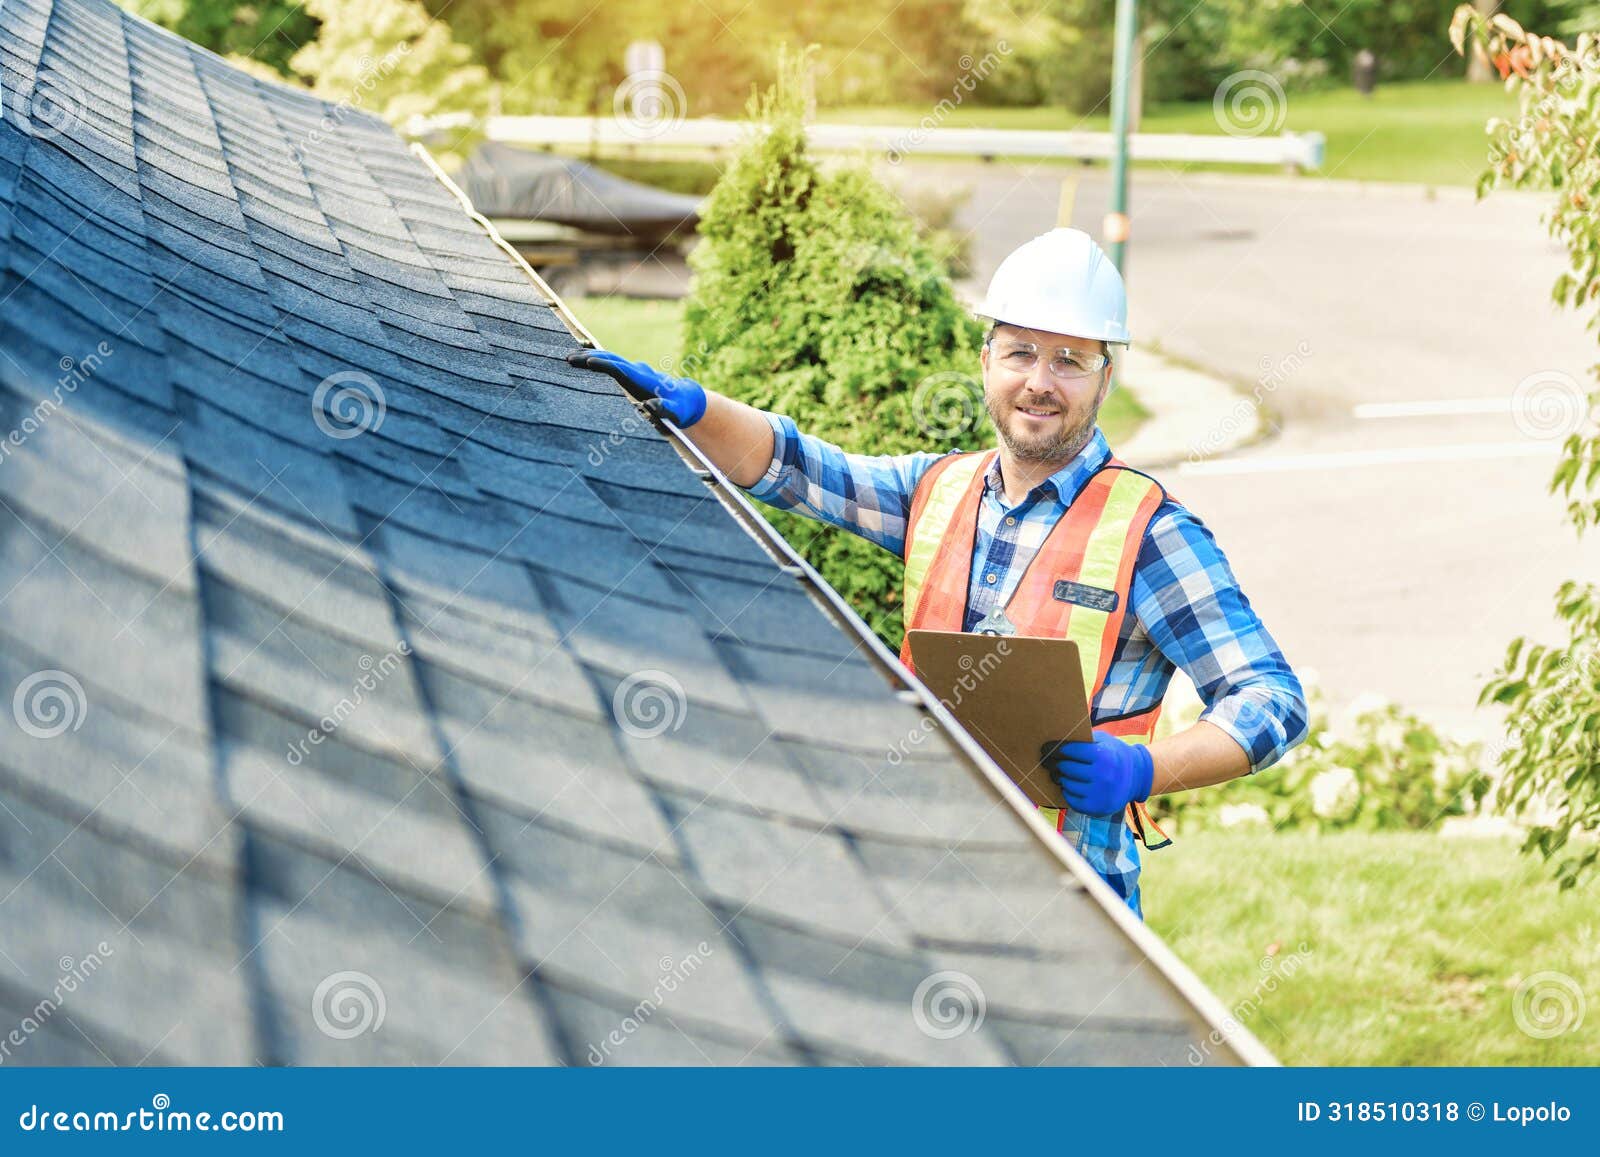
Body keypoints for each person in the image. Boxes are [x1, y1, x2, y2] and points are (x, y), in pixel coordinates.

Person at [570, 227, 1308, 917]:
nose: (1040, 382)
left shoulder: (1152, 534)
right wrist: (695, 411)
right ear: (986, 361)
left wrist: (1145, 770)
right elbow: (797, 469)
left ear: (1105, 378)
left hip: (1074, 906)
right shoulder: (938, 490)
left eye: (1069, 360)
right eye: (1020, 352)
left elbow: (1271, 698)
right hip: (922, 884)